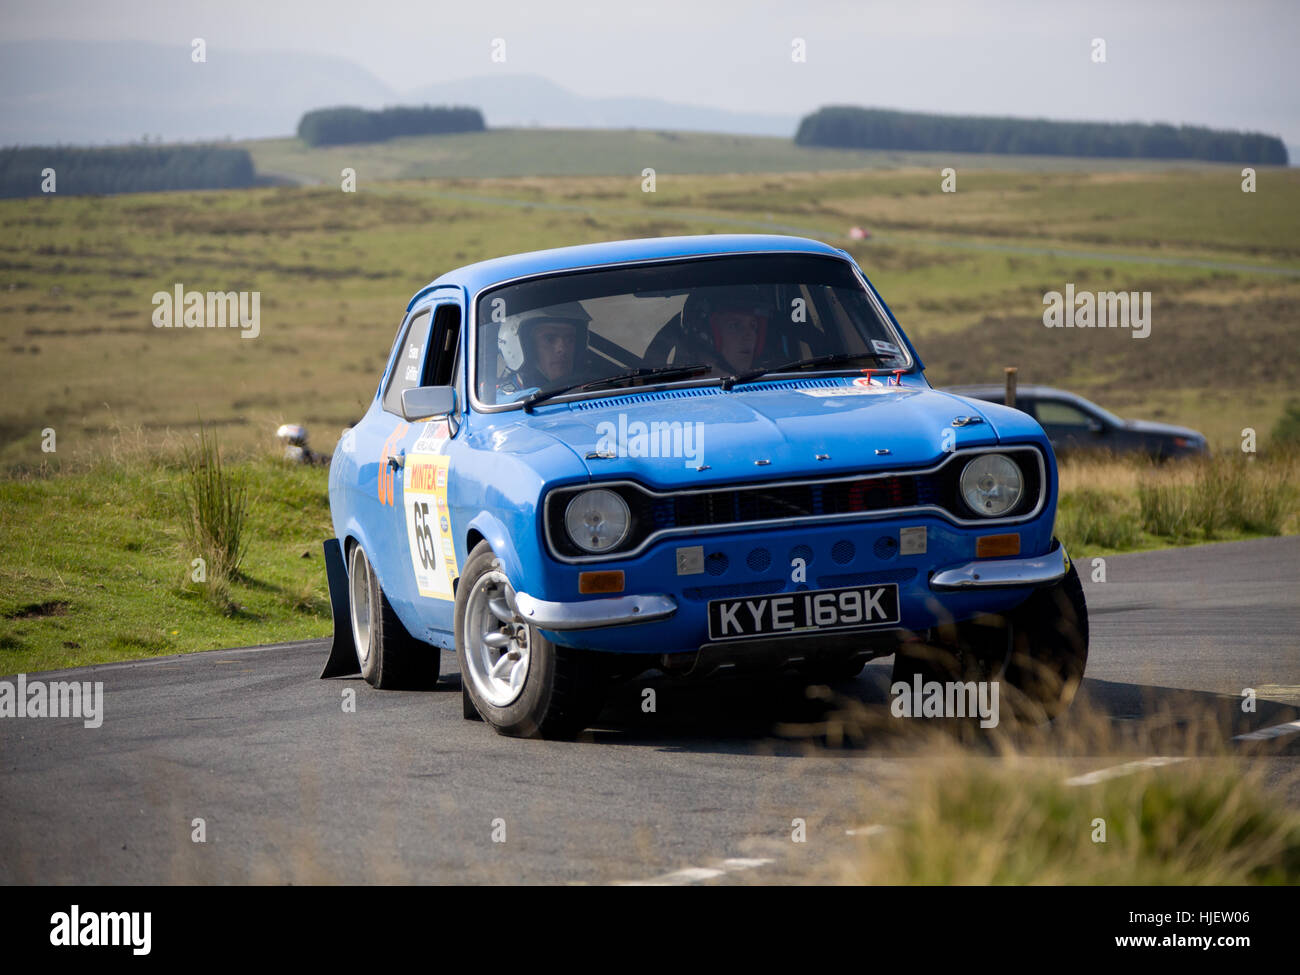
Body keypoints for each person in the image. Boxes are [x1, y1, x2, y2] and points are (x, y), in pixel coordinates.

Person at [494, 303, 591, 400]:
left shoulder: (596, 386)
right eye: (550, 339)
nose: (562, 349)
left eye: (570, 339)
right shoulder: (501, 403)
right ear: (523, 346)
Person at [679, 285, 772, 375]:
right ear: (705, 336)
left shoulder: (768, 383)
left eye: (753, 326)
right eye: (735, 325)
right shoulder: (680, 388)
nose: (749, 335)